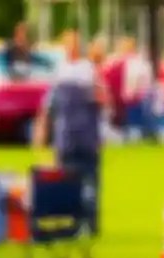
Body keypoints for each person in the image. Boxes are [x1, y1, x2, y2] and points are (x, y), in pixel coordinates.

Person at [35, 29, 105, 245]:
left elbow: (101, 100)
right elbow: (48, 106)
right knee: (67, 180)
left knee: (89, 180)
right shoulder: (61, 71)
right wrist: (42, 130)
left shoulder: (87, 70)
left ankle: (89, 222)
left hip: (84, 136)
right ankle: (72, 221)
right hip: (67, 136)